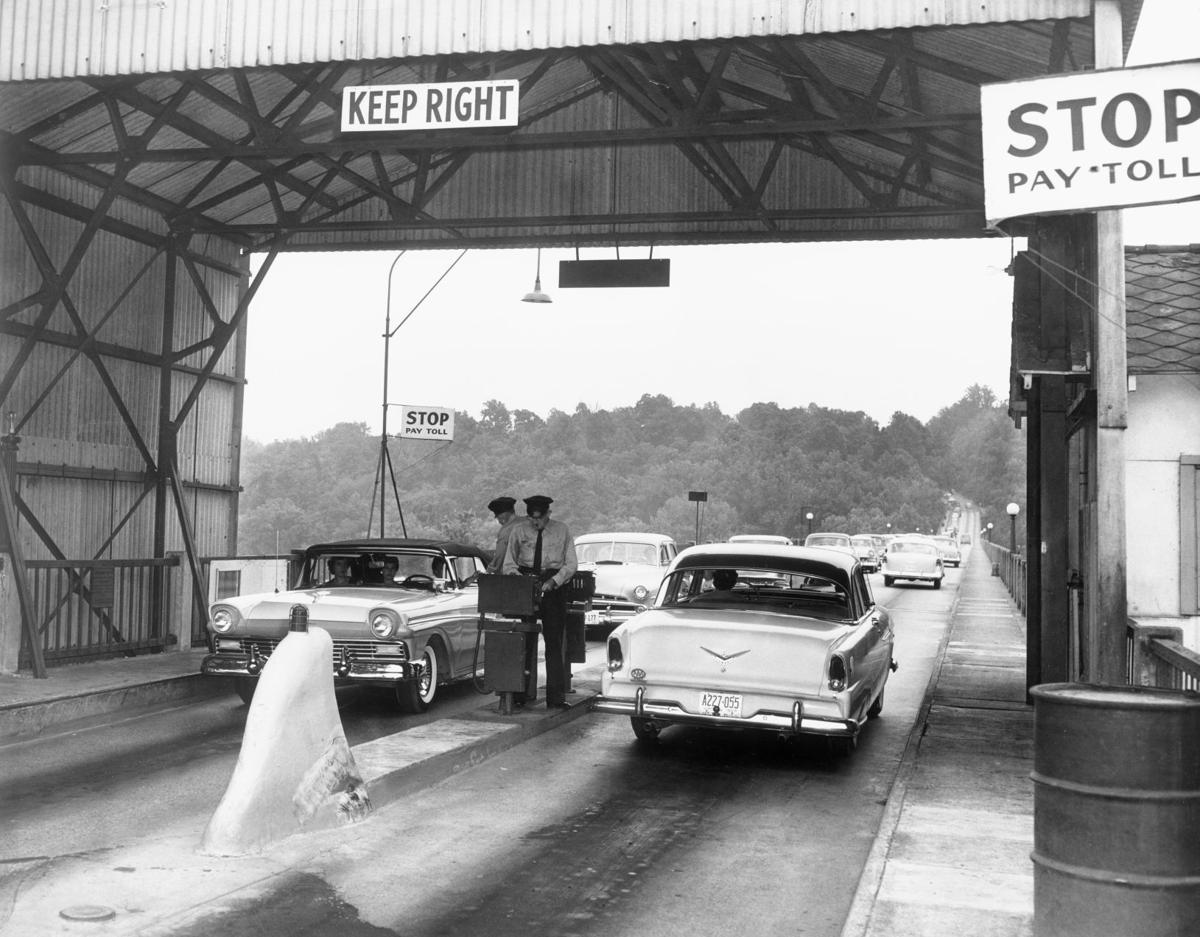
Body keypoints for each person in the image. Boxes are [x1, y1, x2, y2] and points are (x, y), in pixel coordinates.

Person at [502, 494, 578, 709]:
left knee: (554, 642)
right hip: (526, 584)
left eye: (540, 518)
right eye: (532, 519)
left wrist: (555, 581)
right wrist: (521, 580)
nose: (536, 523)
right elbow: (509, 563)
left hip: (554, 587)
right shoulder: (519, 531)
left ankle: (556, 698)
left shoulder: (562, 530)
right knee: (524, 641)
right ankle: (520, 695)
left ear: (548, 514)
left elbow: (571, 564)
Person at [486, 496, 527, 574]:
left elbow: (499, 557)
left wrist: (488, 572)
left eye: (498, 516)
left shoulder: (506, 530)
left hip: (517, 574)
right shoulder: (527, 521)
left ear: (503, 514)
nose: (499, 521)